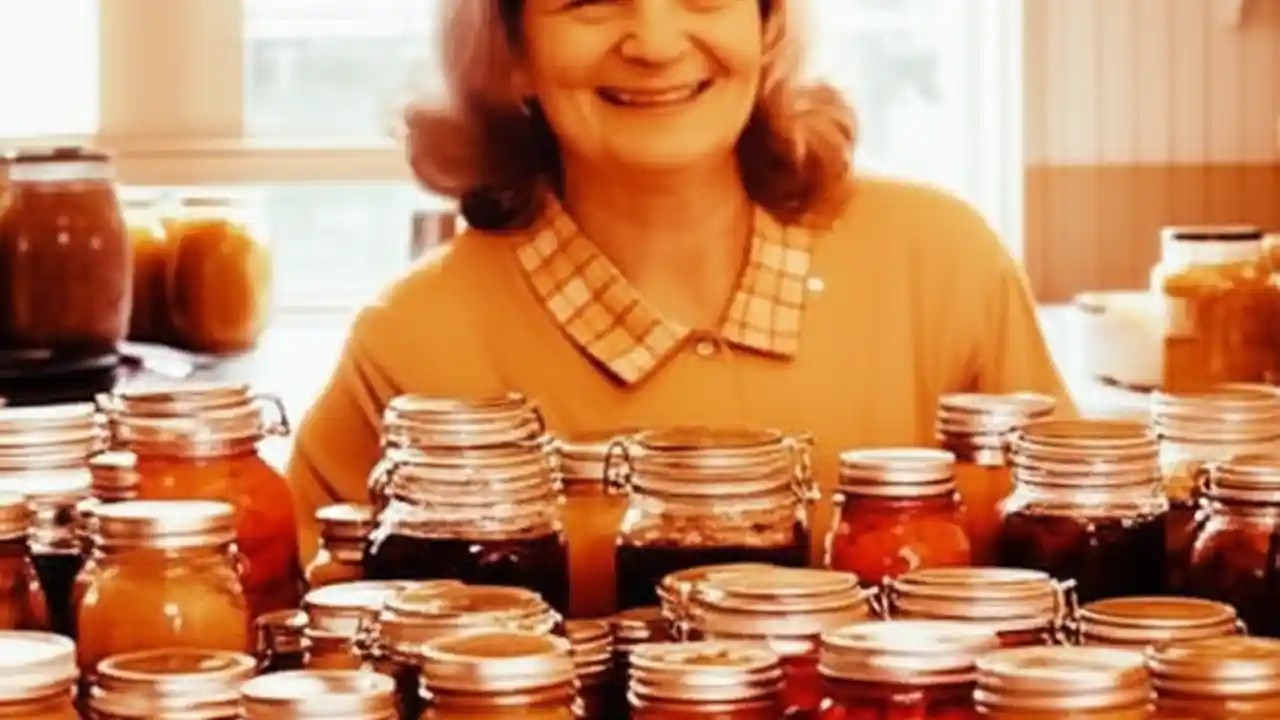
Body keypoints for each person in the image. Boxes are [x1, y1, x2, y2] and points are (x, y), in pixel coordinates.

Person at [287, 0, 1073, 561]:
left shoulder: (943, 260)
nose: (657, 41)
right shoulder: (411, 340)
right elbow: (288, 616)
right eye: (588, 2)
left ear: (766, 25)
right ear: (513, 53)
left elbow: (1079, 556)